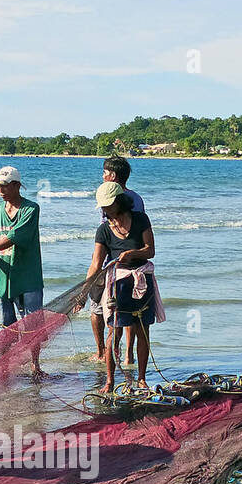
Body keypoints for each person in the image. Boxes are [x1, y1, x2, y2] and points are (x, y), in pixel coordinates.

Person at [82, 181, 164, 393]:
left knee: (143, 330)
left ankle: (142, 379)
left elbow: (150, 250)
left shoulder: (140, 219)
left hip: (142, 281)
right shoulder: (103, 231)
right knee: (113, 332)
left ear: (120, 201)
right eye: (103, 207)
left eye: (108, 205)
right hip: (117, 286)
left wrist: (133, 254)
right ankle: (109, 382)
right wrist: (83, 293)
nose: (105, 210)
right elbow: (96, 264)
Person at [0, 166, 43, 327]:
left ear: (17, 185)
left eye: (4, 185)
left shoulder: (31, 210)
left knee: (32, 329)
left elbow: (13, 237)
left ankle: (34, 354)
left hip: (27, 280)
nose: (0, 189)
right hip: (2, 281)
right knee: (4, 330)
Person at [90, 156, 145, 365]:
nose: (102, 176)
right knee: (130, 311)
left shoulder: (111, 198)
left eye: (104, 173)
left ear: (112, 176)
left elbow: (113, 233)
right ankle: (127, 354)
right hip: (132, 264)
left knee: (102, 308)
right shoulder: (137, 198)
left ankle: (104, 352)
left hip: (114, 265)